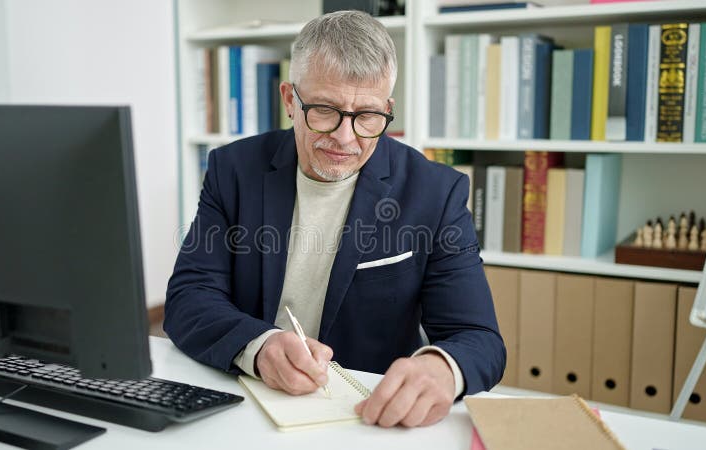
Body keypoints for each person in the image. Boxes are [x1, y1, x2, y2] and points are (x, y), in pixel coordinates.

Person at [164, 10, 505, 428]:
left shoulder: (435, 192)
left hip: (368, 417)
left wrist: (442, 368)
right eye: (324, 110)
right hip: (247, 403)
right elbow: (189, 297)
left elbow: (480, 338)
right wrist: (260, 346)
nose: (345, 138)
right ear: (290, 100)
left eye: (367, 116)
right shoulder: (233, 170)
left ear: (388, 108)